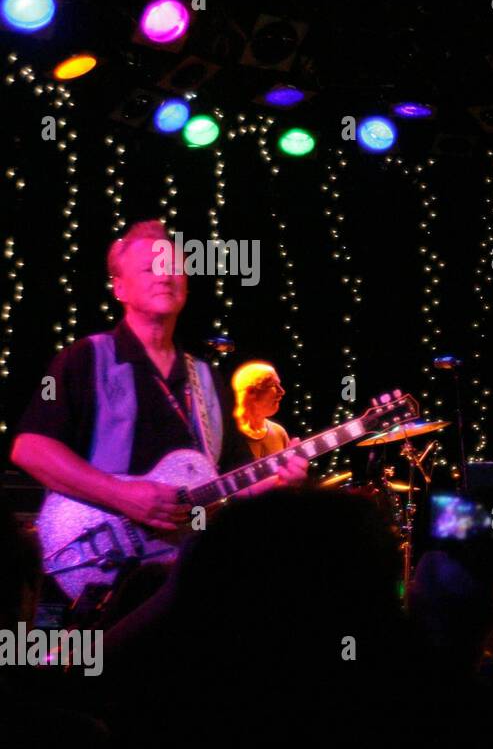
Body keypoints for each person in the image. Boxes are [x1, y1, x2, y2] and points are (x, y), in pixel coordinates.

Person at [9, 220, 308, 539]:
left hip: (183, 570)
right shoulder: (84, 358)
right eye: (150, 268)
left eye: (173, 267)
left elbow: (232, 478)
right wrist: (120, 494)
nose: (165, 275)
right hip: (97, 561)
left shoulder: (206, 377)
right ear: (120, 288)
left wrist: (277, 481)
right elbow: (29, 449)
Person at [232, 361, 290, 459]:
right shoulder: (227, 436)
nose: (282, 391)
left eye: (279, 385)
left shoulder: (279, 432)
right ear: (251, 392)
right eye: (273, 385)